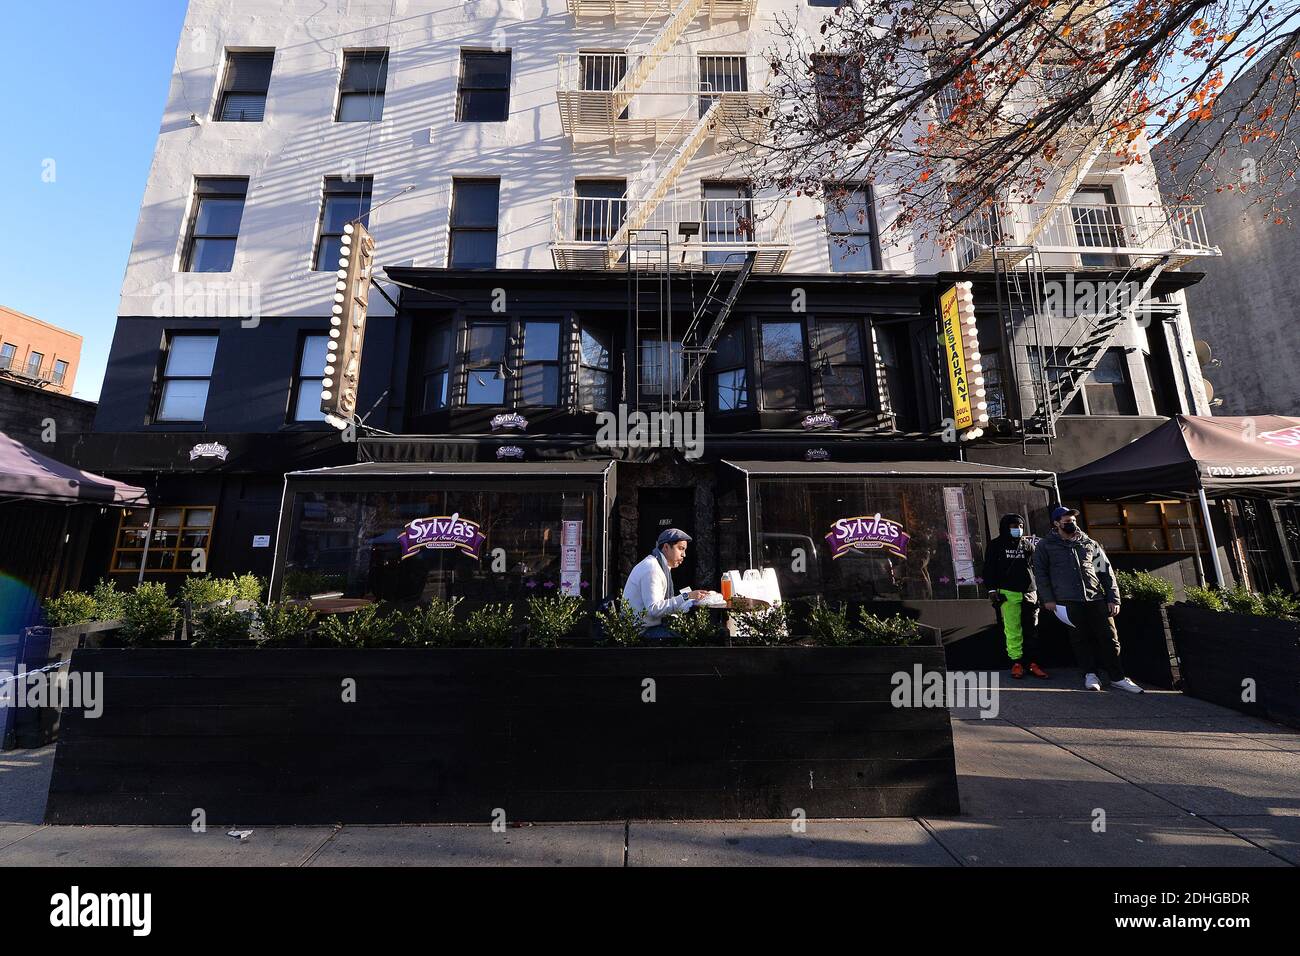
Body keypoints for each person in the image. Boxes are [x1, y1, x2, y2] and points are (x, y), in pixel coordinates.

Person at [1033, 505, 1144, 694]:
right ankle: (1090, 674)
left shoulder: (1089, 543)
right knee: (1080, 639)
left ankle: (1117, 676)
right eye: (1067, 522)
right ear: (1056, 523)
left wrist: (1113, 598)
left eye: (1074, 521)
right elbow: (1041, 574)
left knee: (1109, 637)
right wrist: (1048, 599)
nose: (1072, 524)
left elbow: (1105, 571)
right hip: (1067, 600)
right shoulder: (1045, 546)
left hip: (1095, 598)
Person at [982, 513, 1048, 680]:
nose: (1017, 529)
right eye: (1013, 526)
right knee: (1012, 630)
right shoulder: (995, 545)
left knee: (1032, 629)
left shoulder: (1027, 545)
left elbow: (1036, 567)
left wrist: (1040, 591)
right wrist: (991, 590)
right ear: (1005, 527)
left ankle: (1033, 663)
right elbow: (988, 569)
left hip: (1030, 592)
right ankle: (1017, 663)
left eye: (1020, 526)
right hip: (1008, 593)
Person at [622, 528, 712, 639]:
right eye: (681, 549)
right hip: (640, 632)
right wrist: (686, 596)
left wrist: (690, 600)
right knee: (691, 637)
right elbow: (654, 609)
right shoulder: (652, 569)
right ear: (666, 547)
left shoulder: (660, 565)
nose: (684, 555)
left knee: (693, 632)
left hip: (646, 627)